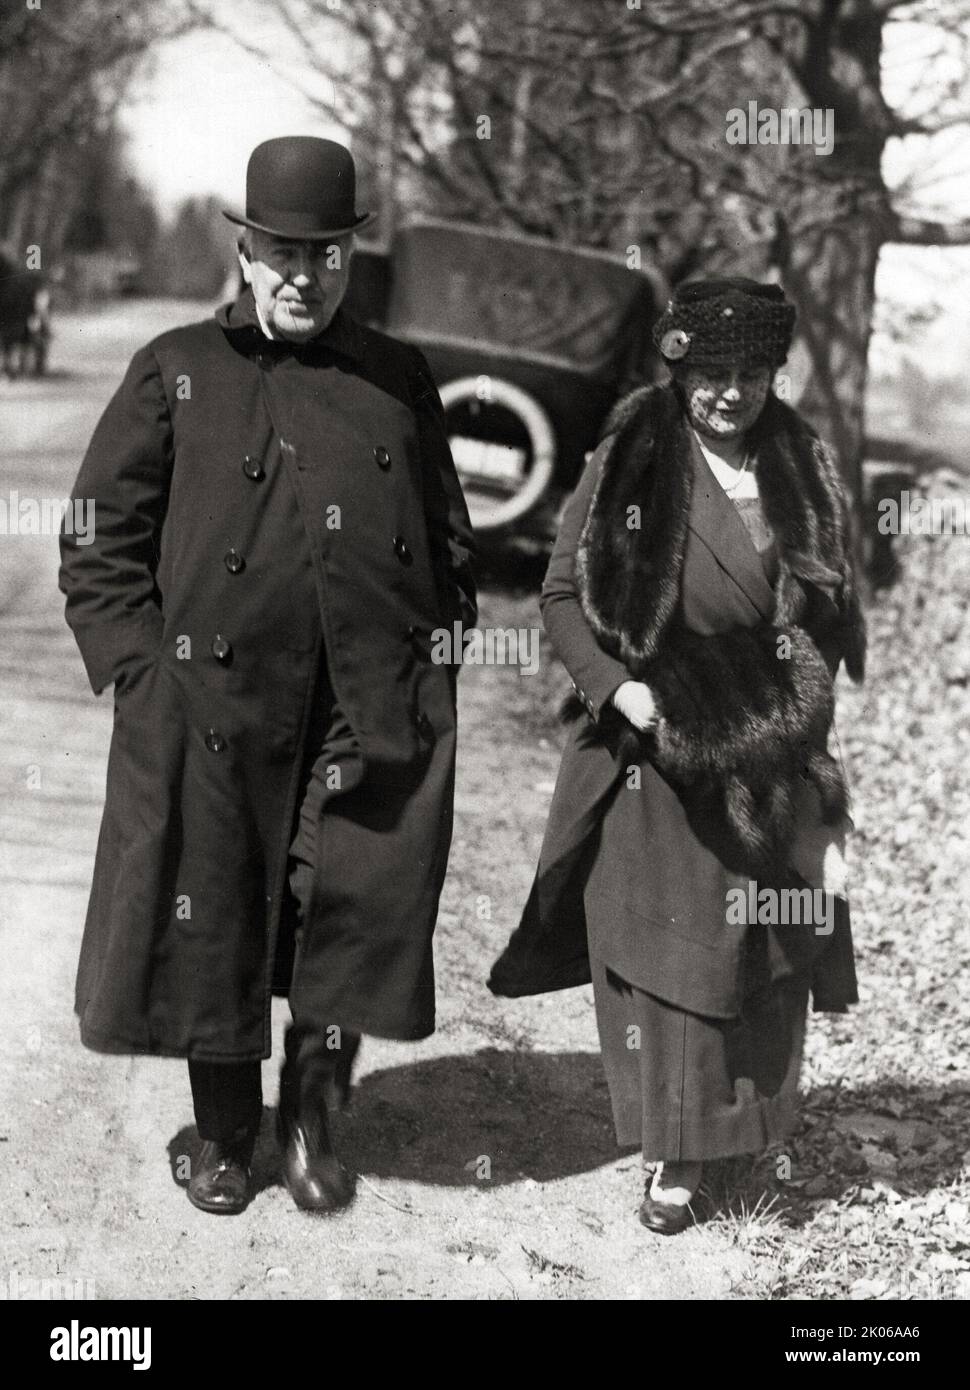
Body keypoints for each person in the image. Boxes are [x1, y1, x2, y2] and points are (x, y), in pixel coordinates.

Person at [59, 137, 476, 1216]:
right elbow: (97, 537)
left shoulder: (397, 377)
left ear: (348, 259)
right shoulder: (177, 367)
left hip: (362, 704)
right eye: (282, 255)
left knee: (350, 905)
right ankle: (224, 1131)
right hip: (211, 709)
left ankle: (312, 1119)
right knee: (218, 911)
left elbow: (448, 540)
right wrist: (141, 673)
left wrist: (437, 655)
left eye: (323, 255)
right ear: (245, 255)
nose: (302, 277)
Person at [489, 278, 865, 1234]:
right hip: (657, 743)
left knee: (767, 944)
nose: (731, 393)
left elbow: (832, 606)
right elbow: (560, 595)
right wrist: (619, 691)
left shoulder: (803, 462)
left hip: (771, 742)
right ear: (680, 365)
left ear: (775, 374)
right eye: (712, 373)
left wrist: (799, 706)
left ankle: (749, 1131)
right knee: (679, 951)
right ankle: (680, 1151)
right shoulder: (633, 453)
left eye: (752, 374)